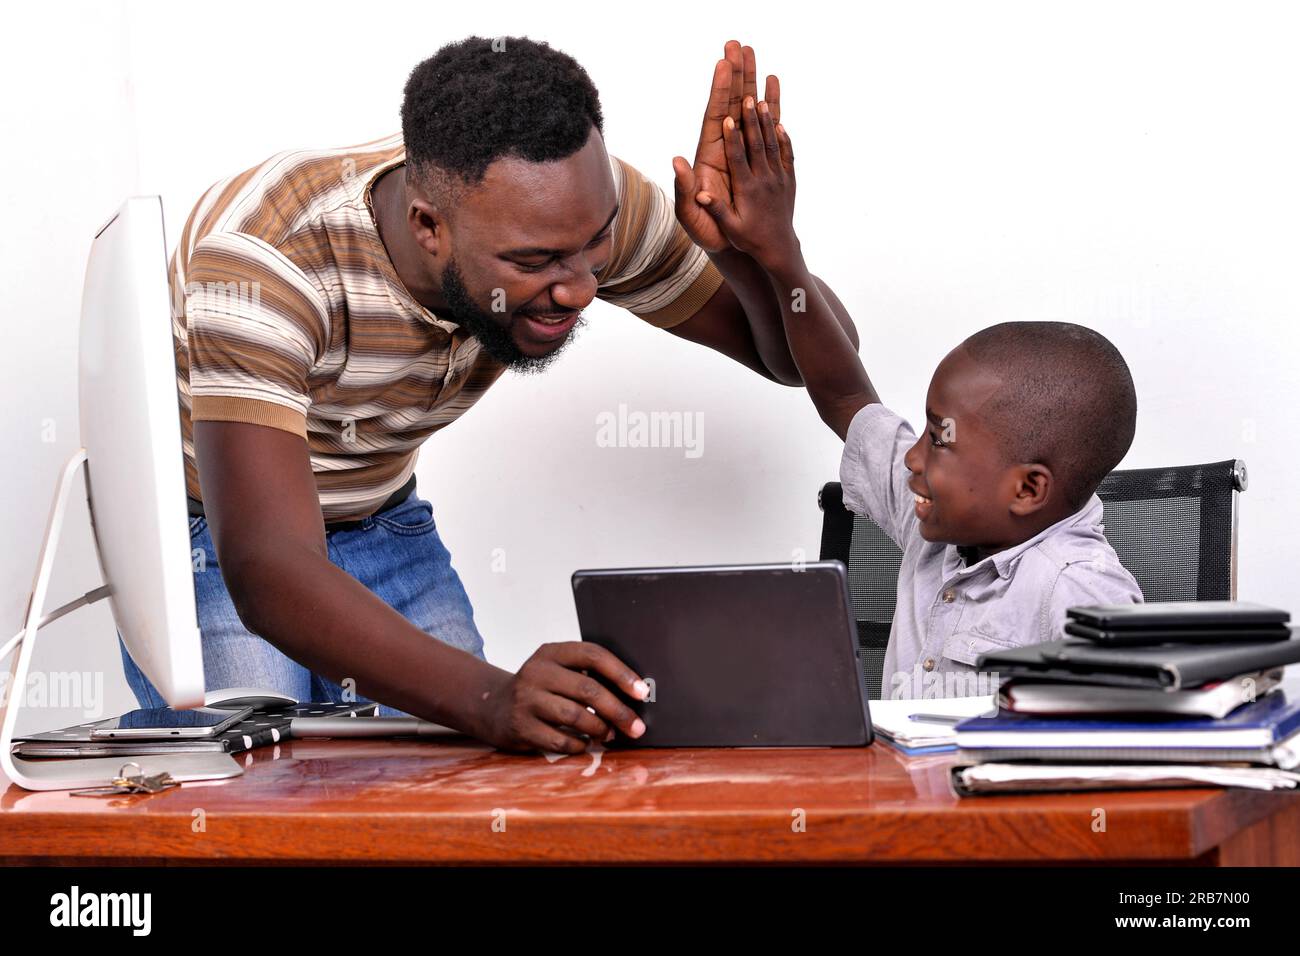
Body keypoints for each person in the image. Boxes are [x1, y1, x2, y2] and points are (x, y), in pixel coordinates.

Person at [120, 37, 860, 748]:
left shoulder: (576, 210)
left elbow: (798, 361)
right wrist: (491, 696)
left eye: (594, 248)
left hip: (380, 520)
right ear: (427, 226)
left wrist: (758, 251)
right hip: (214, 541)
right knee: (249, 796)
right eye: (534, 262)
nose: (577, 289)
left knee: (458, 805)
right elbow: (268, 568)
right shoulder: (265, 263)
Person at [694, 92, 1144, 699]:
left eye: (941, 438)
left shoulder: (1080, 592)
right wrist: (775, 253)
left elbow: (1131, 749)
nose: (913, 457)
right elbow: (846, 395)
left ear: (1028, 488)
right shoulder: (940, 519)